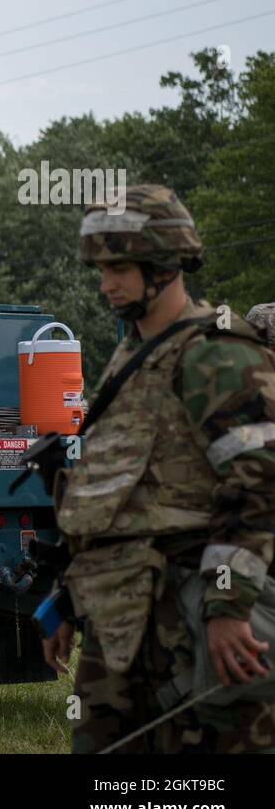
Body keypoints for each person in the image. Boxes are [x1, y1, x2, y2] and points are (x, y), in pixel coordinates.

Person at [42, 184, 275, 752]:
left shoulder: (217, 354)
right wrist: (69, 599)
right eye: (100, 267)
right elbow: (117, 493)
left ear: (165, 265)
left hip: (191, 619)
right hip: (120, 621)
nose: (105, 283)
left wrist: (226, 609)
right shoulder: (130, 354)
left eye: (118, 267)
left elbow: (258, 485)